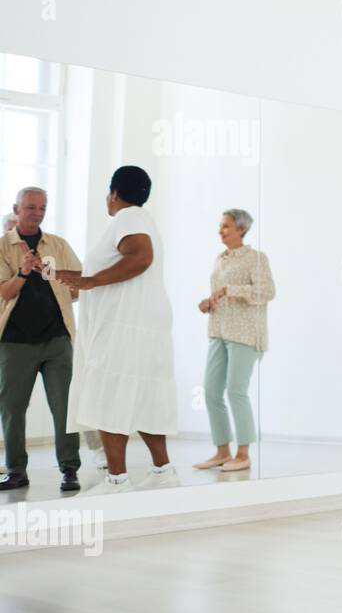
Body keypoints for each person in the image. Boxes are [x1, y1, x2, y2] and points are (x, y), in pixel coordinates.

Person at [57, 166, 180, 494]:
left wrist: (91, 281)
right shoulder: (142, 218)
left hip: (126, 325)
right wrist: (70, 274)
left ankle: (117, 479)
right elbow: (112, 266)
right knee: (141, 393)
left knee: (108, 393)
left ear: (113, 193)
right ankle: (162, 470)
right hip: (141, 323)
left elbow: (141, 257)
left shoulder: (127, 218)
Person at [0, 187, 83, 491]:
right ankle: (16, 471)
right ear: (17, 209)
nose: (37, 212)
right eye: (31, 207)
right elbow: (3, 292)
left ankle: (70, 469)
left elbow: (77, 285)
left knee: (64, 407)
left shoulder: (58, 245)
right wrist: (22, 273)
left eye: (42, 208)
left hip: (56, 339)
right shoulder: (1, 247)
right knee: (11, 408)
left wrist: (49, 273)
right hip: (13, 342)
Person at [194, 209, 275, 473]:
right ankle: (221, 451)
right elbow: (220, 292)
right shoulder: (221, 259)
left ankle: (243, 454)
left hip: (246, 333)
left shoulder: (256, 258)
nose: (221, 231)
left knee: (235, 391)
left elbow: (267, 292)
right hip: (218, 330)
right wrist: (209, 302)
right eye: (220, 226)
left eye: (226, 226)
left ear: (241, 229)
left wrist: (231, 290)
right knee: (211, 391)